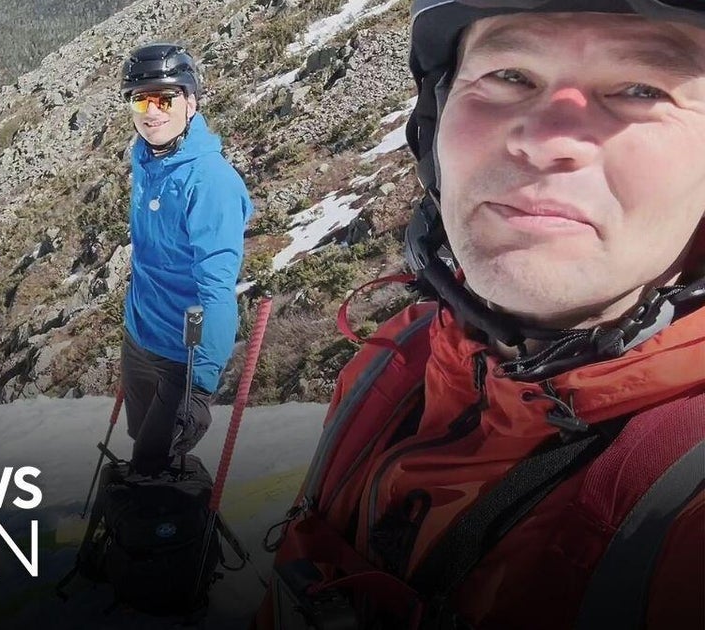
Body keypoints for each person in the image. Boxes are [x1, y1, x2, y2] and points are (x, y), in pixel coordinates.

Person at [258, 1, 705, 628]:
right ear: (435, 122)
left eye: (640, 88)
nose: (545, 138)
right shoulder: (395, 365)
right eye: (509, 75)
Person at [117, 43, 254, 476]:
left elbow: (216, 289)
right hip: (139, 338)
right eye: (141, 98)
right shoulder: (146, 156)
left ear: (191, 101)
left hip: (182, 355)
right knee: (143, 443)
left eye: (165, 98)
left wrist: (200, 384)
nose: (151, 111)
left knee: (150, 471)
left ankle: (172, 539)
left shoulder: (210, 182)